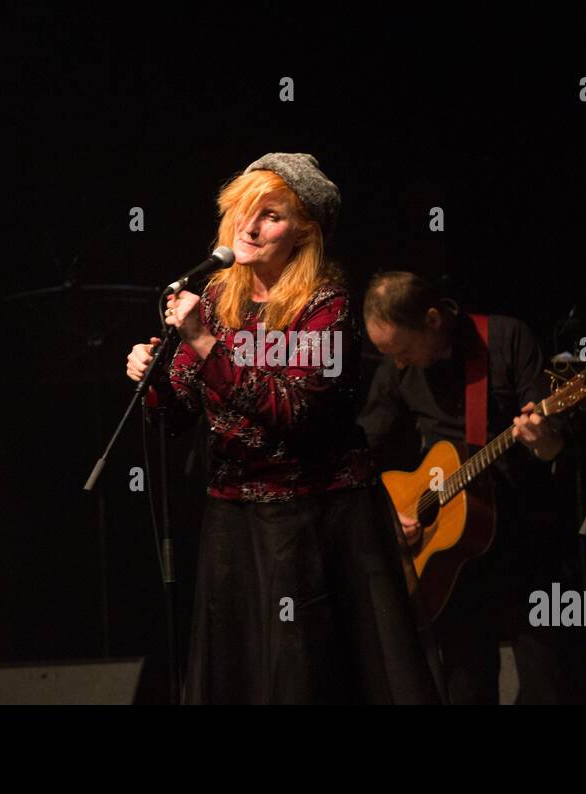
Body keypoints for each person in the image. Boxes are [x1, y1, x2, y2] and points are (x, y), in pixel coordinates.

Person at [125, 153, 439, 704]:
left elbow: (295, 412)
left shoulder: (328, 305)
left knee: (306, 671)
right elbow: (178, 415)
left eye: (270, 215)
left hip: (316, 518)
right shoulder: (218, 297)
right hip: (235, 519)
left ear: (305, 231)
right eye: (244, 211)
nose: (249, 226)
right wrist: (151, 380)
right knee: (242, 675)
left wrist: (203, 345)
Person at [358, 271, 568, 704]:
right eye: (388, 354)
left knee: (544, 676)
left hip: (522, 535)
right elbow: (363, 450)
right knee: (464, 683)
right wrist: (386, 514)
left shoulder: (506, 338)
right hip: (449, 560)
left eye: (402, 350)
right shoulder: (398, 365)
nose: (396, 362)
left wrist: (542, 439)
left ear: (433, 320)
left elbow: (553, 442)